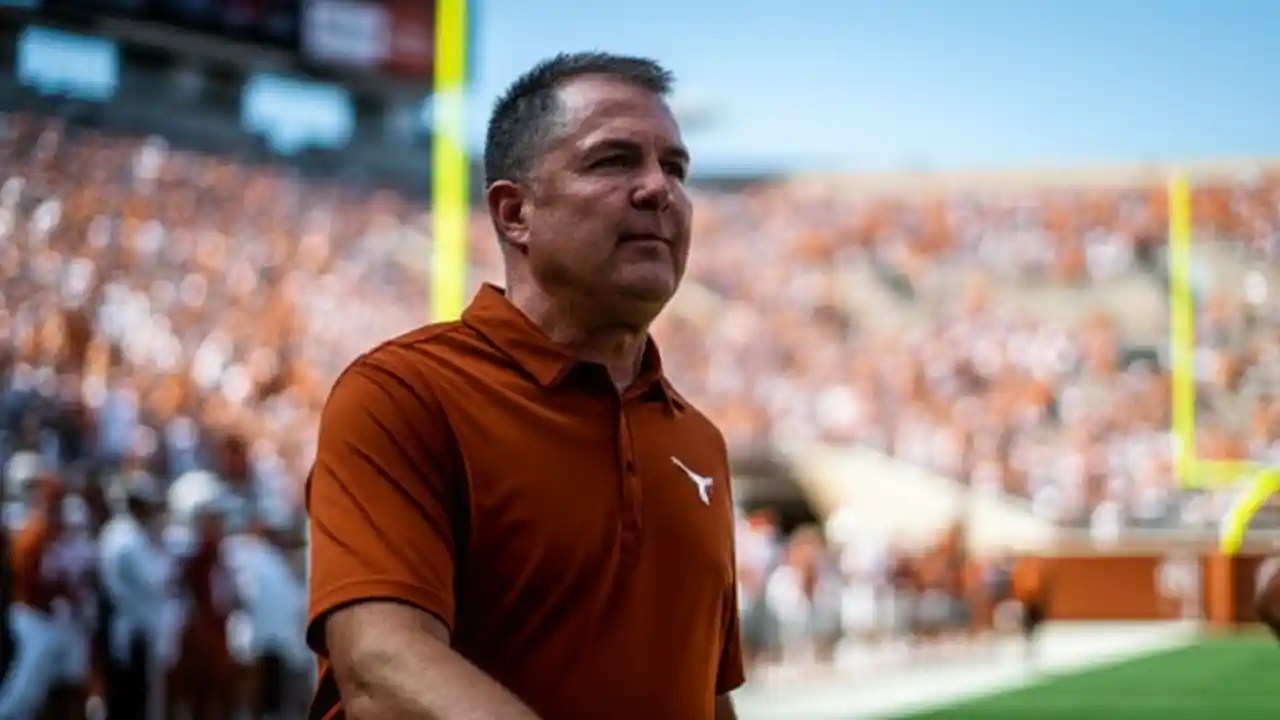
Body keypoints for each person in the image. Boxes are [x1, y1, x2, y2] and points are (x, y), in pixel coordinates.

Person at [306, 51, 743, 719]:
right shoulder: (403, 394)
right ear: (514, 214)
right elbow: (381, 668)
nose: (661, 189)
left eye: (676, 167)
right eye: (614, 161)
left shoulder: (699, 440)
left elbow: (705, 697)